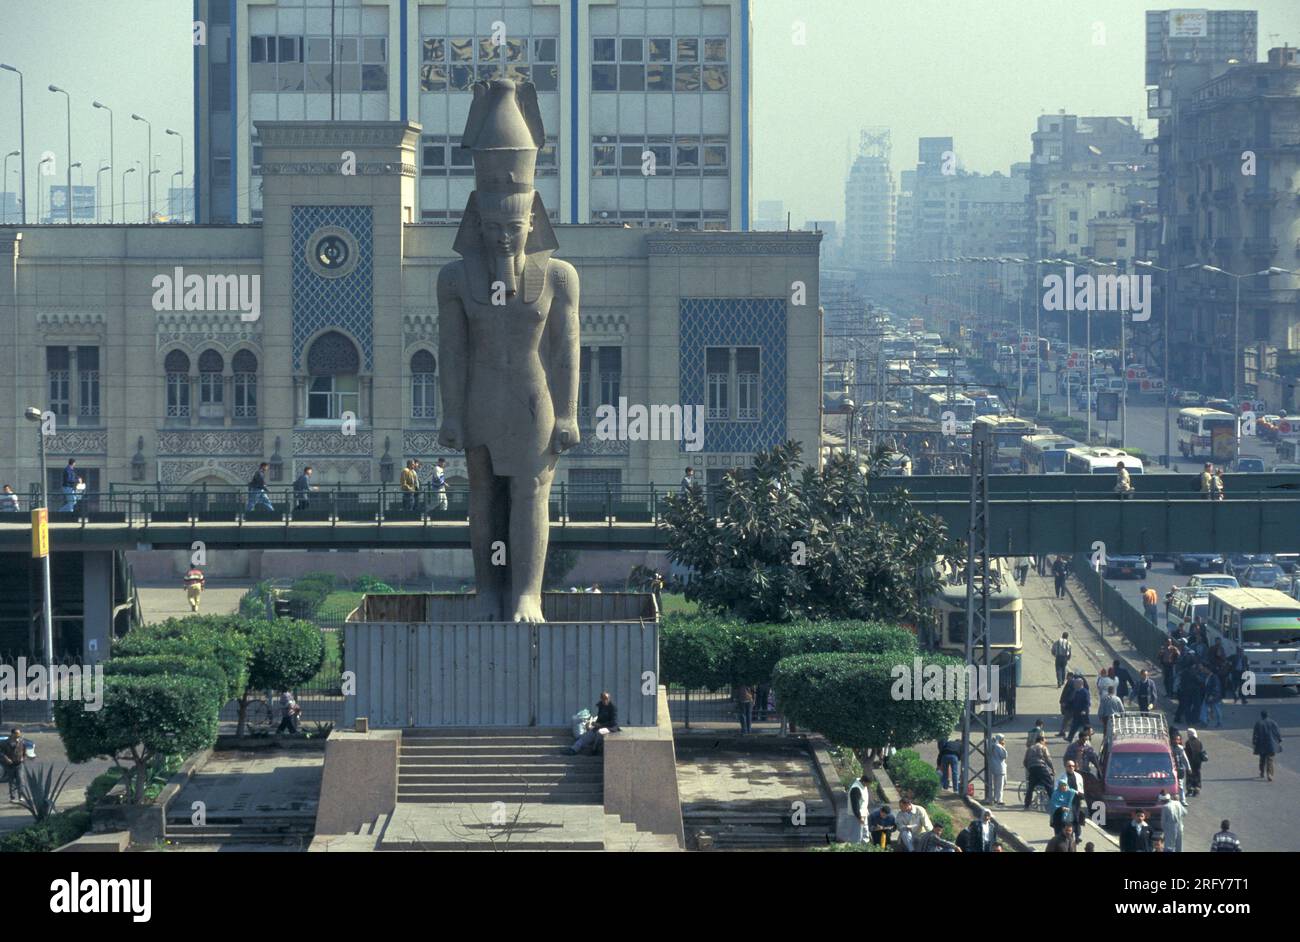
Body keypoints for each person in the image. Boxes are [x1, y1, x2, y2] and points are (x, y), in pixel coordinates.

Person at [1023, 738, 1054, 810]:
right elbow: (1048, 759)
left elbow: (1025, 761)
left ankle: (1027, 805)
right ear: (1041, 741)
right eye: (1045, 741)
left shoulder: (1030, 748)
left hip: (1032, 768)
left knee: (1030, 787)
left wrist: (1029, 768)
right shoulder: (1043, 747)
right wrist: (1052, 769)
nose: (1045, 743)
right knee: (1049, 785)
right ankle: (1054, 803)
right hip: (1041, 767)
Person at [1252, 709, 1282, 781]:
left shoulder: (1258, 723)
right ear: (1268, 715)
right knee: (1270, 760)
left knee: (1262, 759)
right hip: (1271, 744)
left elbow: (1255, 735)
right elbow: (1277, 733)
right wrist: (1279, 740)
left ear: (1261, 715)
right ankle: (1270, 774)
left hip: (1261, 744)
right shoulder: (1273, 723)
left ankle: (1262, 772)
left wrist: (1254, 742)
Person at [0, 728, 25, 802]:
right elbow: (2, 753)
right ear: (12, 734)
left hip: (19, 764)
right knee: (12, 781)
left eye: (19, 733)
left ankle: (21, 796)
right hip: (10, 764)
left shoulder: (21, 742)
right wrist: (6, 759)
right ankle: (13, 797)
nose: (18, 735)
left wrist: (23, 758)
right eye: (17, 733)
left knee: (20, 779)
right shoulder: (5, 743)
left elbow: (24, 751)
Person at [1066, 676, 1091, 743]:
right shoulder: (1077, 691)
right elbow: (1074, 701)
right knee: (1074, 725)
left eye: (1075, 684)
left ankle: (1088, 738)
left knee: (1086, 726)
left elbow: (1087, 702)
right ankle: (1069, 738)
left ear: (1080, 684)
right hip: (1076, 712)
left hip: (1083, 713)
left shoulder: (1085, 692)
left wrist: (1084, 710)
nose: (1074, 685)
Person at [1184, 728, 1206, 797]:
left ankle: (1190, 790)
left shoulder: (1188, 742)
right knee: (1197, 775)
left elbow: (1187, 752)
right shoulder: (1199, 742)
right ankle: (1197, 789)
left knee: (1189, 776)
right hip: (1198, 762)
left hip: (1190, 762)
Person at [1171, 732, 1191, 798]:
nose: (1177, 741)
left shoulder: (1181, 748)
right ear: (1172, 740)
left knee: (1180, 786)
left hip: (1179, 769)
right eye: (1175, 739)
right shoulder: (1169, 748)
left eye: (1178, 740)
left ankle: (1182, 800)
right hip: (1171, 770)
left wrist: (1188, 768)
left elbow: (1185, 759)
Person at [990, 733, 1007, 806]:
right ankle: (999, 799)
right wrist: (1004, 747)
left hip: (994, 767)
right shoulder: (999, 746)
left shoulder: (992, 745)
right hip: (1000, 767)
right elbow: (1004, 756)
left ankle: (995, 798)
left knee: (996, 784)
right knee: (1000, 784)